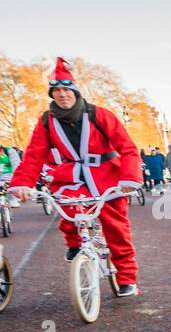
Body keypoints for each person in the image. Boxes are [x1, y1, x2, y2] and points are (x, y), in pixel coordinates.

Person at [8, 57, 144, 296]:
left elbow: (128, 148)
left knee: (117, 230)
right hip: (71, 177)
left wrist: (129, 178)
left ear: (75, 91)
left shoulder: (100, 115)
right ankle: (74, 243)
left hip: (107, 176)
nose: (62, 94)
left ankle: (126, 278)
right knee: (67, 209)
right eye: (56, 91)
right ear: (52, 95)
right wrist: (22, 183)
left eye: (66, 89)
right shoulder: (46, 121)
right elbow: (33, 156)